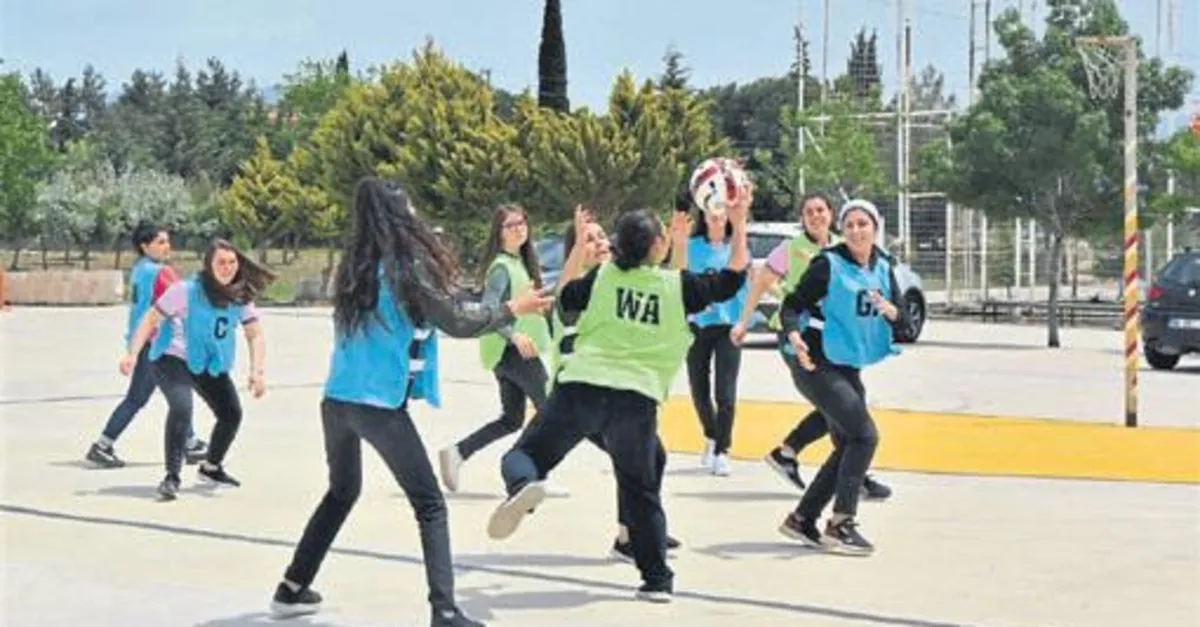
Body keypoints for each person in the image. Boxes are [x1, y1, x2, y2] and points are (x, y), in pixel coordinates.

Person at [271, 178, 552, 627]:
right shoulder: (406, 264)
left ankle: (291, 588)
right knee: (430, 504)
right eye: (414, 205)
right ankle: (443, 610)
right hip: (378, 405)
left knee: (342, 491)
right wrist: (511, 310)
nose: (419, 213)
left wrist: (491, 305)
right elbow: (457, 321)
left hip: (337, 400)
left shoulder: (357, 266)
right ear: (401, 212)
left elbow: (447, 304)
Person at [486, 192, 751, 604]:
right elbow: (733, 278)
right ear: (656, 246)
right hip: (634, 400)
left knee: (524, 455)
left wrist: (579, 244)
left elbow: (567, 294)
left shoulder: (604, 277)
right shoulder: (675, 286)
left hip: (581, 389)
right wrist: (739, 221)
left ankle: (524, 483)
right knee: (640, 489)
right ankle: (656, 579)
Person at [729, 193, 892, 500]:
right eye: (808, 212)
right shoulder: (790, 249)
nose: (815, 216)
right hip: (797, 336)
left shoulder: (843, 246)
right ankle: (849, 473)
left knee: (844, 406)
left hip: (834, 338)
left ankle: (794, 453)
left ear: (831, 215)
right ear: (802, 219)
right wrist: (743, 321)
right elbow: (762, 282)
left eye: (821, 210)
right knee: (841, 405)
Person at [775, 199, 910, 555]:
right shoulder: (828, 264)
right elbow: (792, 305)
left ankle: (802, 519)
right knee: (864, 436)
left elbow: (907, 328)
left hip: (846, 365)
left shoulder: (883, 268)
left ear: (875, 228)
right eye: (849, 224)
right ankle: (840, 522)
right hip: (816, 362)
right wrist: (793, 335)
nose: (855, 230)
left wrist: (894, 313)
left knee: (849, 443)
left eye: (862, 224)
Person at [547, 216, 683, 562]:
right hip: (581, 394)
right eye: (590, 240)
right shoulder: (587, 286)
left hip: (616, 391)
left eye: (602, 237)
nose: (600, 243)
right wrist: (578, 247)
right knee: (641, 458)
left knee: (648, 456)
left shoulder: (614, 279)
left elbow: (671, 290)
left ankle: (631, 533)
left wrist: (676, 244)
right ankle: (632, 535)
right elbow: (563, 298)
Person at [121, 238, 276, 500]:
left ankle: (211, 467)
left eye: (232, 262)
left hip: (206, 363)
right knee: (182, 406)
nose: (227, 268)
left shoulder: (240, 296)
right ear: (209, 265)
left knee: (231, 413)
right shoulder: (186, 290)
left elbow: (254, 335)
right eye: (221, 263)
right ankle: (172, 475)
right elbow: (151, 318)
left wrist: (257, 371)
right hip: (172, 358)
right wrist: (132, 354)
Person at [439, 204, 558, 495]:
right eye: (510, 225)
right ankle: (532, 474)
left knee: (511, 419)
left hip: (509, 354)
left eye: (522, 222)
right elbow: (489, 310)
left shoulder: (520, 264)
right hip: (512, 352)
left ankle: (458, 452)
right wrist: (515, 335)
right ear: (499, 233)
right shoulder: (501, 268)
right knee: (552, 411)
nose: (519, 228)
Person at [87, 222, 207, 468]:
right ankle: (103, 445)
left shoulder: (140, 269)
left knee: (161, 395)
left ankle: (190, 442)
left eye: (167, 241)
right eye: (160, 242)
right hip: (158, 343)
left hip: (143, 340)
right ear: (145, 245)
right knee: (162, 395)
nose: (167, 246)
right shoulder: (162, 272)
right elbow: (184, 301)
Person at [677, 205, 749, 476]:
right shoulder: (692, 246)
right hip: (698, 326)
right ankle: (710, 434)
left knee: (726, 393)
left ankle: (722, 450)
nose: (717, 216)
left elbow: (745, 286)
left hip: (728, 326)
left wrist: (744, 321)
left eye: (721, 210)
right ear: (704, 216)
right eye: (711, 211)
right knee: (698, 389)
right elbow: (681, 279)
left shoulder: (736, 246)